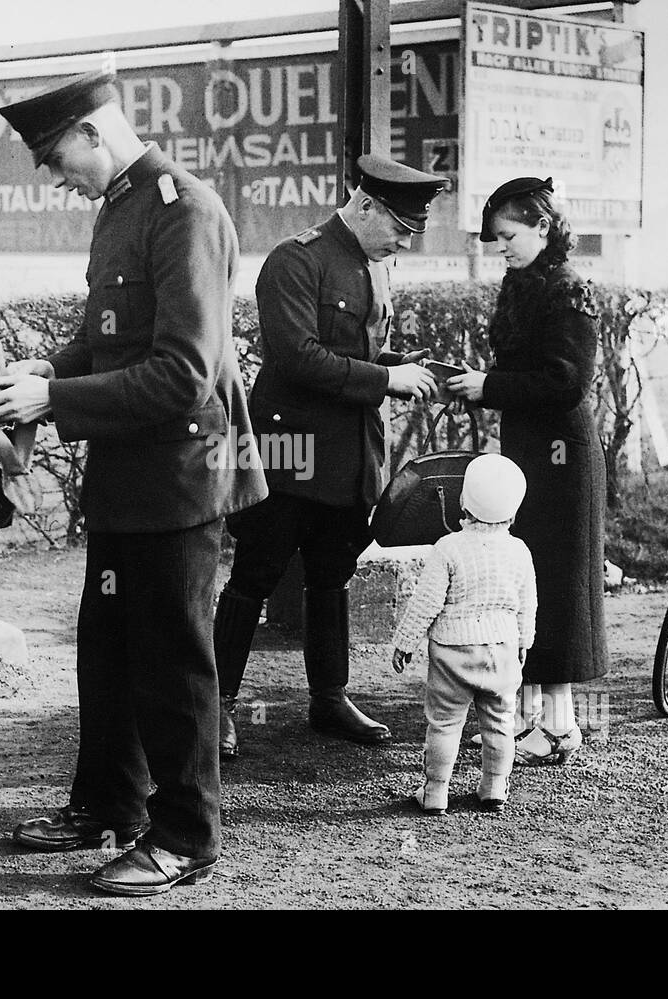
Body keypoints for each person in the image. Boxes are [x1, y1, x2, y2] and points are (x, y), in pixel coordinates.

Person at [0, 72, 267, 895]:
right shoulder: (121, 207)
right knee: (107, 652)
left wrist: (55, 397)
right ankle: (107, 803)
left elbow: (182, 374)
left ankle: (185, 835)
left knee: (175, 665)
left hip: (180, 483)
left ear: (93, 132)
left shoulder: (187, 210)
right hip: (127, 478)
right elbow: (110, 340)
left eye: (53, 157)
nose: (53, 176)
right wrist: (50, 366)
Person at [212, 155, 447, 757]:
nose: (404, 240)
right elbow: (298, 357)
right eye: (398, 225)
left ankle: (329, 696)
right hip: (289, 454)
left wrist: (402, 368)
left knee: (332, 577)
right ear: (365, 205)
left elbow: (359, 352)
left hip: (349, 459)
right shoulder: (298, 258)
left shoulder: (375, 266)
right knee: (254, 577)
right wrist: (384, 382)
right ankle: (218, 706)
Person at [445, 176, 608, 765]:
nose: (501, 248)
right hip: (529, 451)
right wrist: (482, 383)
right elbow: (528, 369)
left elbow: (568, 382)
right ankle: (532, 717)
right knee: (530, 582)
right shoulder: (527, 283)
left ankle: (562, 725)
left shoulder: (569, 289)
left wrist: (488, 387)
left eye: (509, 236)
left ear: (543, 227)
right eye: (495, 239)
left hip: (563, 457)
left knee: (559, 584)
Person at [390, 453, 536, 815]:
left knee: (443, 723)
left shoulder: (448, 548)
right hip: (501, 648)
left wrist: (405, 643)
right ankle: (494, 787)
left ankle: (436, 792)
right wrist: (524, 641)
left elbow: (426, 603)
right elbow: (527, 603)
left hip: (452, 651)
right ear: (513, 513)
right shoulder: (519, 551)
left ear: (462, 501)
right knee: (500, 723)